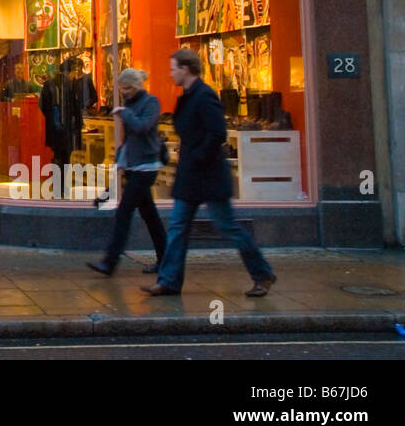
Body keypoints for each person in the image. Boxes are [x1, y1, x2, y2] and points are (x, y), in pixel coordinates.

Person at [143, 48, 276, 297]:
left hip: (208, 175)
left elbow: (218, 133)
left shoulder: (204, 96)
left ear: (185, 69)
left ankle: (263, 273)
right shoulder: (190, 95)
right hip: (192, 175)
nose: (170, 74)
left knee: (228, 227)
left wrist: (197, 157)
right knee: (178, 226)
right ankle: (169, 281)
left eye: (173, 69)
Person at [87, 69, 167, 276]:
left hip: (146, 166)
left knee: (124, 213)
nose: (124, 92)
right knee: (150, 216)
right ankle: (166, 260)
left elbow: (142, 127)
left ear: (137, 86)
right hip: (133, 165)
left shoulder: (151, 103)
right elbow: (129, 138)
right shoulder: (129, 104)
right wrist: (120, 162)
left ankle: (110, 262)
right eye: (122, 89)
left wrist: (125, 113)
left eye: (128, 88)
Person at [39, 56, 98, 197]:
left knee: (58, 155)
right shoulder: (70, 85)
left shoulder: (49, 85)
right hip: (68, 131)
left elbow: (42, 105)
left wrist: (51, 118)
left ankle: (57, 185)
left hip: (54, 129)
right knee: (65, 158)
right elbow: (77, 107)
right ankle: (61, 187)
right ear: (70, 71)